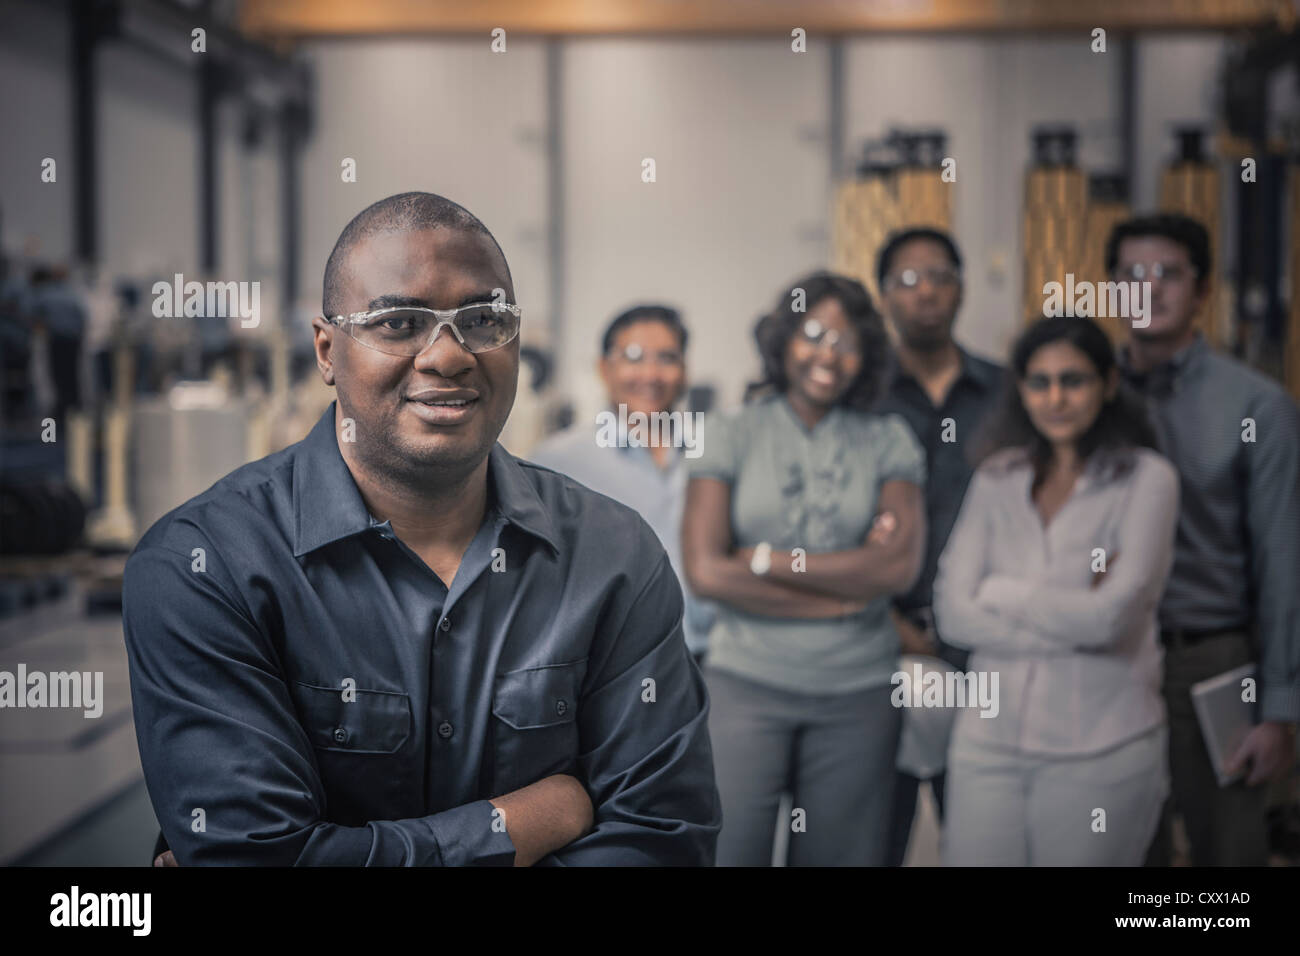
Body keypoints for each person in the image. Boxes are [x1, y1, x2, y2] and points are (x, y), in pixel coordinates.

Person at [123, 191, 720, 866]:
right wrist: (522, 822)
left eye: (483, 319)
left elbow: (663, 841)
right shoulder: (206, 566)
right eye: (399, 322)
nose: (448, 356)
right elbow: (257, 858)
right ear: (327, 350)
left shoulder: (614, 558)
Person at [682, 271, 926, 866]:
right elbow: (708, 572)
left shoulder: (889, 439)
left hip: (859, 691)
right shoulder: (730, 433)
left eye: (848, 342)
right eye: (813, 334)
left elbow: (896, 568)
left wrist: (764, 561)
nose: (828, 354)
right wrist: (845, 593)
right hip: (746, 683)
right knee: (729, 852)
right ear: (784, 341)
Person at [933, 315, 1179, 866]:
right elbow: (951, 614)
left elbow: (1111, 621)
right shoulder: (998, 475)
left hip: (1101, 746)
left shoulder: (1147, 479)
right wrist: (1074, 611)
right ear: (1020, 390)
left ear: (1109, 384)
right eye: (1039, 382)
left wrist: (1001, 592)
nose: (1056, 398)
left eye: (1074, 380)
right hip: (988, 743)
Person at [1106, 213, 1300, 866]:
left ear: (1203, 291)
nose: (1149, 289)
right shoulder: (1079, 394)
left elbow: (1283, 560)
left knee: (1229, 859)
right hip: (1104, 658)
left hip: (1211, 661)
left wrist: (1279, 706)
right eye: (1131, 275)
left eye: (1168, 274)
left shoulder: (1256, 406)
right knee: (1126, 852)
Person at [870, 227, 1007, 865]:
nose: (926, 292)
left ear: (963, 288)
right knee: (877, 838)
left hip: (992, 654)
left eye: (941, 276)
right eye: (907, 279)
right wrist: (884, 620)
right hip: (881, 651)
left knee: (986, 840)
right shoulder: (860, 399)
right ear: (884, 296)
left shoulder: (1012, 395)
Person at [530, 304, 715, 666]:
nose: (650, 373)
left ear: (684, 370)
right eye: (633, 357)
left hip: (716, 657)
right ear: (604, 368)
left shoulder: (713, 449)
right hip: (614, 664)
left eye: (667, 358)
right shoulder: (557, 462)